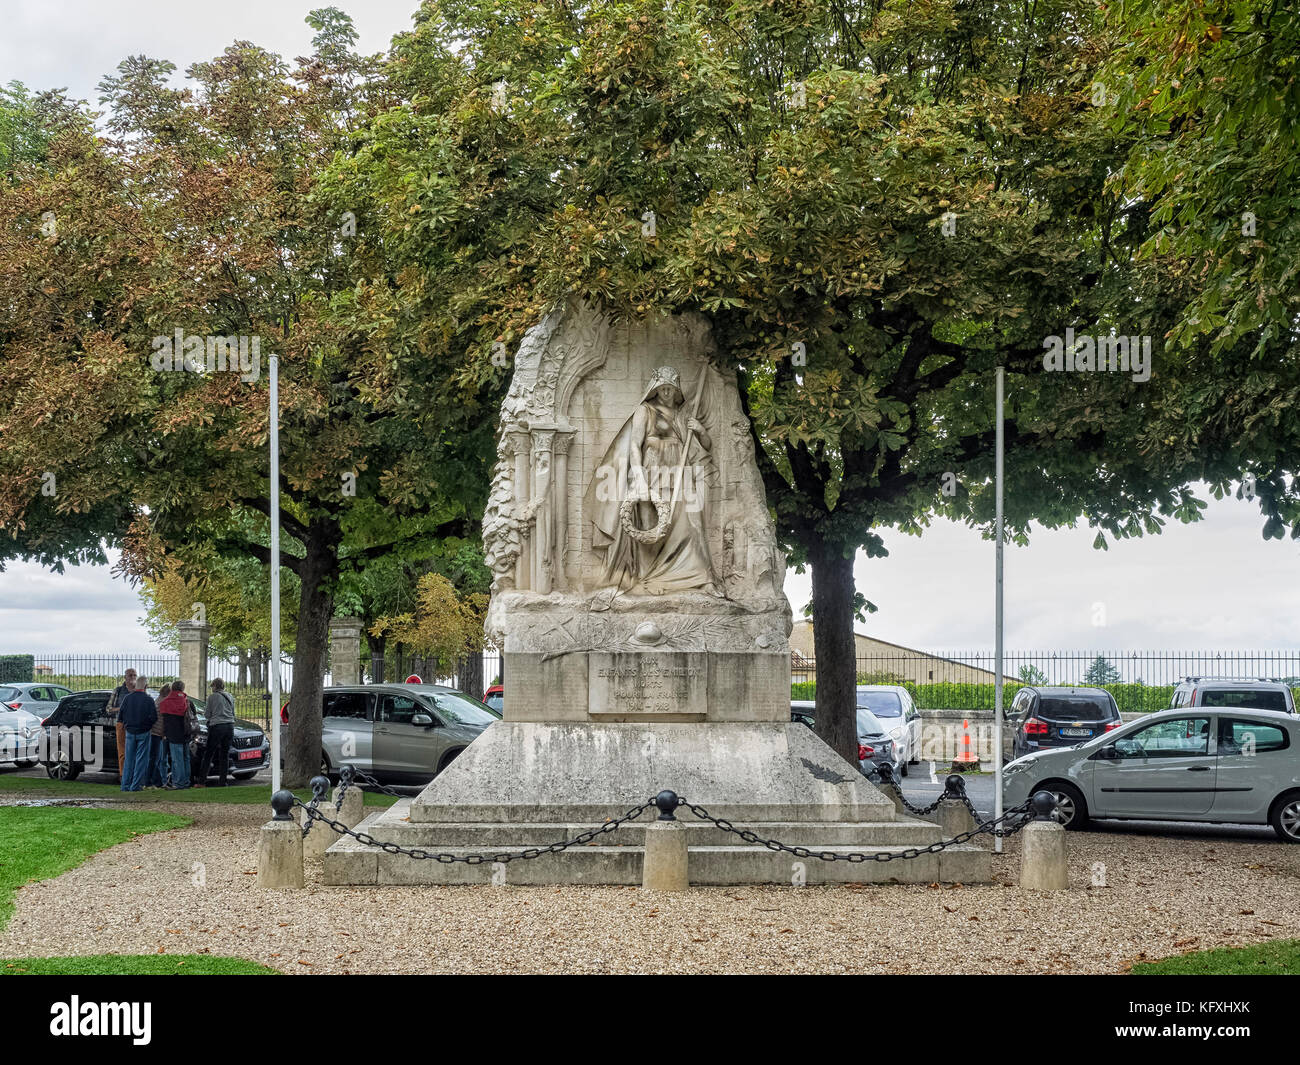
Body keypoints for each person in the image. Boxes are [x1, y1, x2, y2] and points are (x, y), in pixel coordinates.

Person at [585, 364, 722, 596]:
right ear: (655, 389)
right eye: (663, 388)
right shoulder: (645, 411)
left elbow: (705, 447)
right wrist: (638, 477)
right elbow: (634, 446)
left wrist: (700, 430)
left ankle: (703, 578)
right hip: (652, 472)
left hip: (680, 472)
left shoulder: (682, 416)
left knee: (691, 526)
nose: (667, 393)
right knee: (650, 525)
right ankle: (648, 578)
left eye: (671, 388)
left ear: (677, 390)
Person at [117, 676, 157, 792]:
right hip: (143, 732)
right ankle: (136, 786)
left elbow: (121, 716)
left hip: (130, 731)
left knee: (128, 759)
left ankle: (125, 785)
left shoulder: (127, 698)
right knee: (141, 760)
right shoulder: (149, 700)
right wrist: (147, 725)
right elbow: (154, 717)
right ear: (146, 686)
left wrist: (128, 724)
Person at [200, 678, 236, 787]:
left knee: (209, 753)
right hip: (230, 726)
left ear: (215, 686)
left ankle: (202, 781)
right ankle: (223, 781)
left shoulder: (212, 697)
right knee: (224, 754)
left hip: (217, 726)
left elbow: (207, 715)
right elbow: (233, 712)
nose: (211, 688)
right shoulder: (230, 696)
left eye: (212, 686)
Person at [105, 668, 137, 783]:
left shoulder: (139, 691)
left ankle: (135, 775)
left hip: (136, 725)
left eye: (134, 675)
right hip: (122, 724)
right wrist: (121, 708)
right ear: (125, 677)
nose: (133, 677)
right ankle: (123, 775)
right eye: (130, 675)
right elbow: (108, 709)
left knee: (136, 751)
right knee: (123, 751)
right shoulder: (118, 691)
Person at [157, 680, 191, 789]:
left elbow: (164, 721)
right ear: (182, 689)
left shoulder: (166, 702)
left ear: (172, 689)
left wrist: (163, 733)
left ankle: (178, 783)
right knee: (186, 758)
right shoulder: (187, 701)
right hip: (186, 734)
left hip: (173, 734)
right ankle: (186, 781)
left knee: (177, 760)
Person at [148, 683, 170, 788]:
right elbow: (164, 720)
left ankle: (157, 781)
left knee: (156, 759)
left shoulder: (157, 700)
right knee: (156, 759)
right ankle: (157, 781)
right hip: (157, 734)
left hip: (155, 733)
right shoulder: (164, 702)